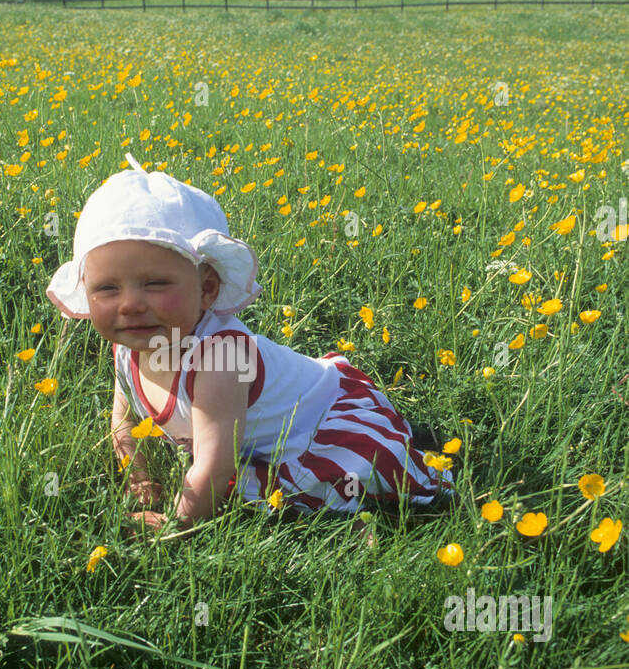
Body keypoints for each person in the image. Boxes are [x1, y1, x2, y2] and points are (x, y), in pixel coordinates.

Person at [46, 155, 454, 535]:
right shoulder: (127, 349)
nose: (130, 304)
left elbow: (215, 465)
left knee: (271, 489)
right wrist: (141, 477)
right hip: (250, 430)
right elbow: (124, 422)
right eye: (107, 288)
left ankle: (409, 442)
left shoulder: (220, 359)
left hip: (314, 423)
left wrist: (176, 522)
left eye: (155, 283)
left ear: (207, 289)